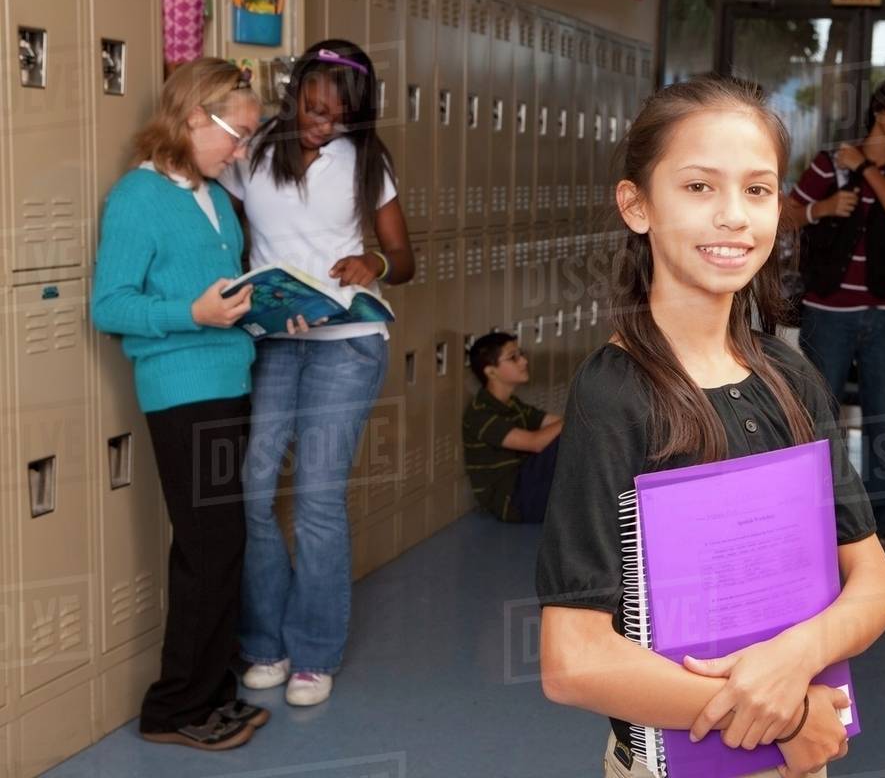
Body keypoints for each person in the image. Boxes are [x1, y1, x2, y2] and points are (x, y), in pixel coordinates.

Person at [536, 76, 885, 778]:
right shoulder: (613, 394)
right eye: (700, 187)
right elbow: (572, 660)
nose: (735, 216)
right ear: (636, 205)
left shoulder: (788, 377)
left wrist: (793, 661)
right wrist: (785, 712)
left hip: (800, 760)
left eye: (758, 190)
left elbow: (879, 583)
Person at [221, 40, 415, 707]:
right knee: (252, 486)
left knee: (317, 498)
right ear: (295, 92)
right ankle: (263, 642)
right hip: (277, 338)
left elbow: (403, 256)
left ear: (354, 115)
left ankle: (313, 652)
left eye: (334, 116)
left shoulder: (367, 163)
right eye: (311, 108)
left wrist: (373, 266)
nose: (319, 124)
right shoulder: (258, 149)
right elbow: (229, 228)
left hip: (348, 340)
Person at [92, 58, 267, 750]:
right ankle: (173, 707)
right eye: (238, 134)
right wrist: (192, 314)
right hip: (183, 392)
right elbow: (111, 304)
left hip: (230, 382)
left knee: (224, 548)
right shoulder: (139, 196)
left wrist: (275, 311)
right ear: (195, 116)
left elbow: (223, 297)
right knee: (208, 549)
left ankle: (211, 691)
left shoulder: (216, 196)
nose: (242, 150)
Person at [792, 75, 885, 556]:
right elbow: (786, 213)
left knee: (882, 414)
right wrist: (824, 207)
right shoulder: (829, 163)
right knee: (819, 415)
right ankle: (819, 516)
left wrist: (868, 170)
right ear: (879, 109)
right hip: (827, 311)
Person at [462, 332, 563, 523]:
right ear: (490, 371)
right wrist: (582, 411)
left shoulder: (513, 404)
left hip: (529, 485)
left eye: (521, 354)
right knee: (566, 438)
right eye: (513, 357)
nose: (523, 361)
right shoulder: (480, 413)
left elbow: (554, 422)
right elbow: (535, 443)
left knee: (580, 433)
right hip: (514, 501)